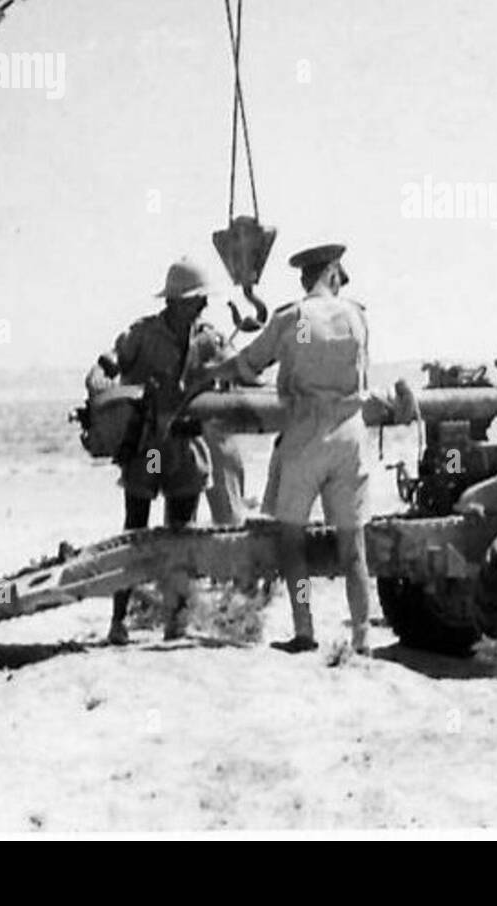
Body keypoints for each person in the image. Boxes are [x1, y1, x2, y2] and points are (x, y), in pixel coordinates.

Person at [203, 243, 371, 655]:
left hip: (304, 437)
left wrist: (206, 374)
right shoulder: (357, 316)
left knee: (292, 543)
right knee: (354, 548)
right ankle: (362, 639)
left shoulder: (293, 319)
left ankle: (305, 631)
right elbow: (362, 376)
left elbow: (247, 365)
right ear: (334, 273)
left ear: (304, 276)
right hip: (350, 434)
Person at [85, 257, 237, 645]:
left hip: (187, 447)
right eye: (196, 299)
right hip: (150, 449)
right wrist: (101, 385)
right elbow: (107, 365)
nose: (202, 306)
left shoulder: (209, 338)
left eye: (203, 300)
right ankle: (119, 620)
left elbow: (234, 374)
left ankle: (177, 618)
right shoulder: (144, 334)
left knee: (182, 536)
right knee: (135, 533)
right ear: (174, 302)